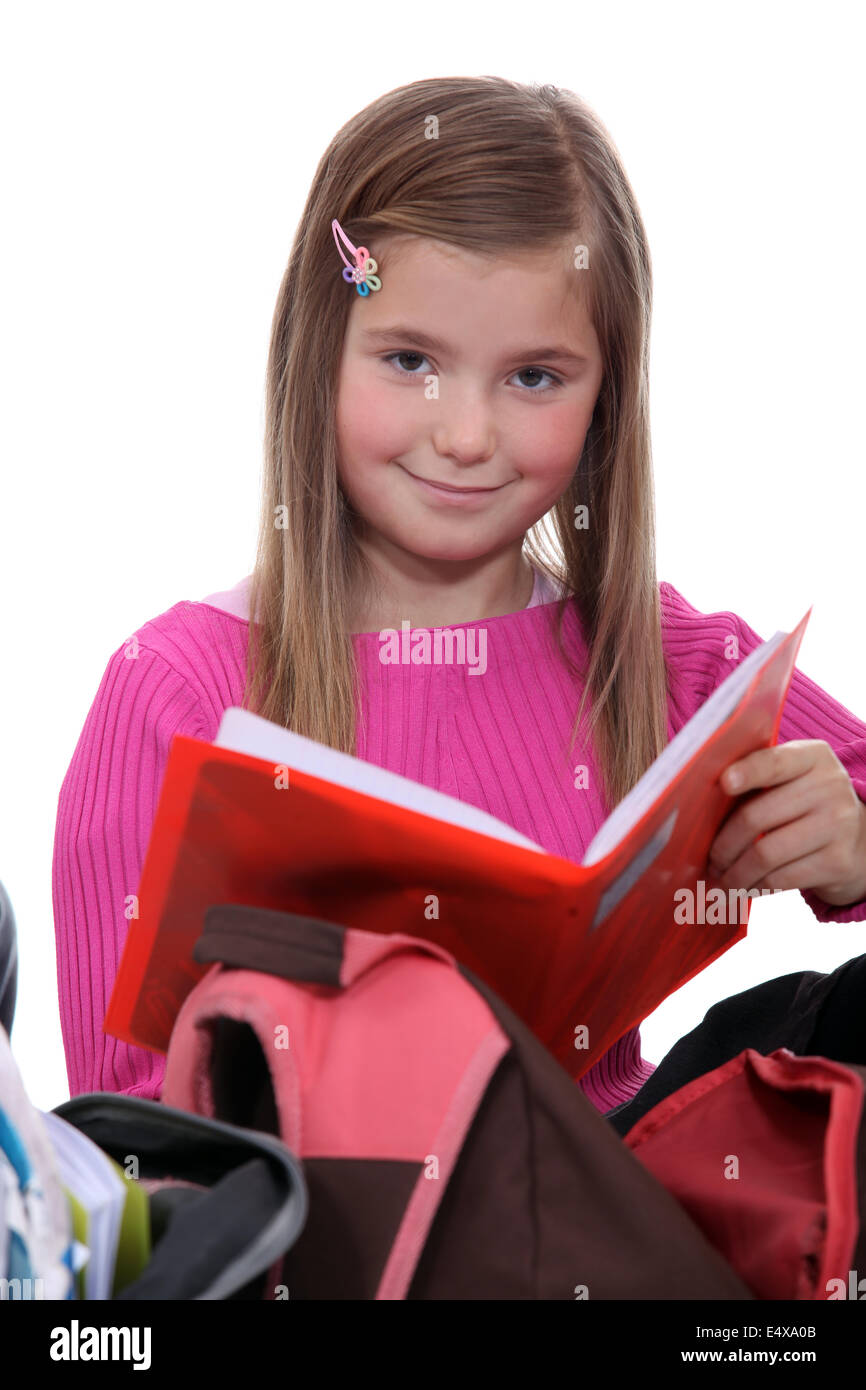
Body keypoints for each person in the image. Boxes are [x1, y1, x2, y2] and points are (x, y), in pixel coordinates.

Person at [51, 75, 866, 1110]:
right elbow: (127, 1130)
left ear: (604, 396)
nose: (467, 436)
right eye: (409, 360)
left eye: (533, 378)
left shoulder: (658, 657)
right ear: (320, 355)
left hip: (613, 1210)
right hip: (338, 1236)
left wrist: (849, 853)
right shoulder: (174, 688)